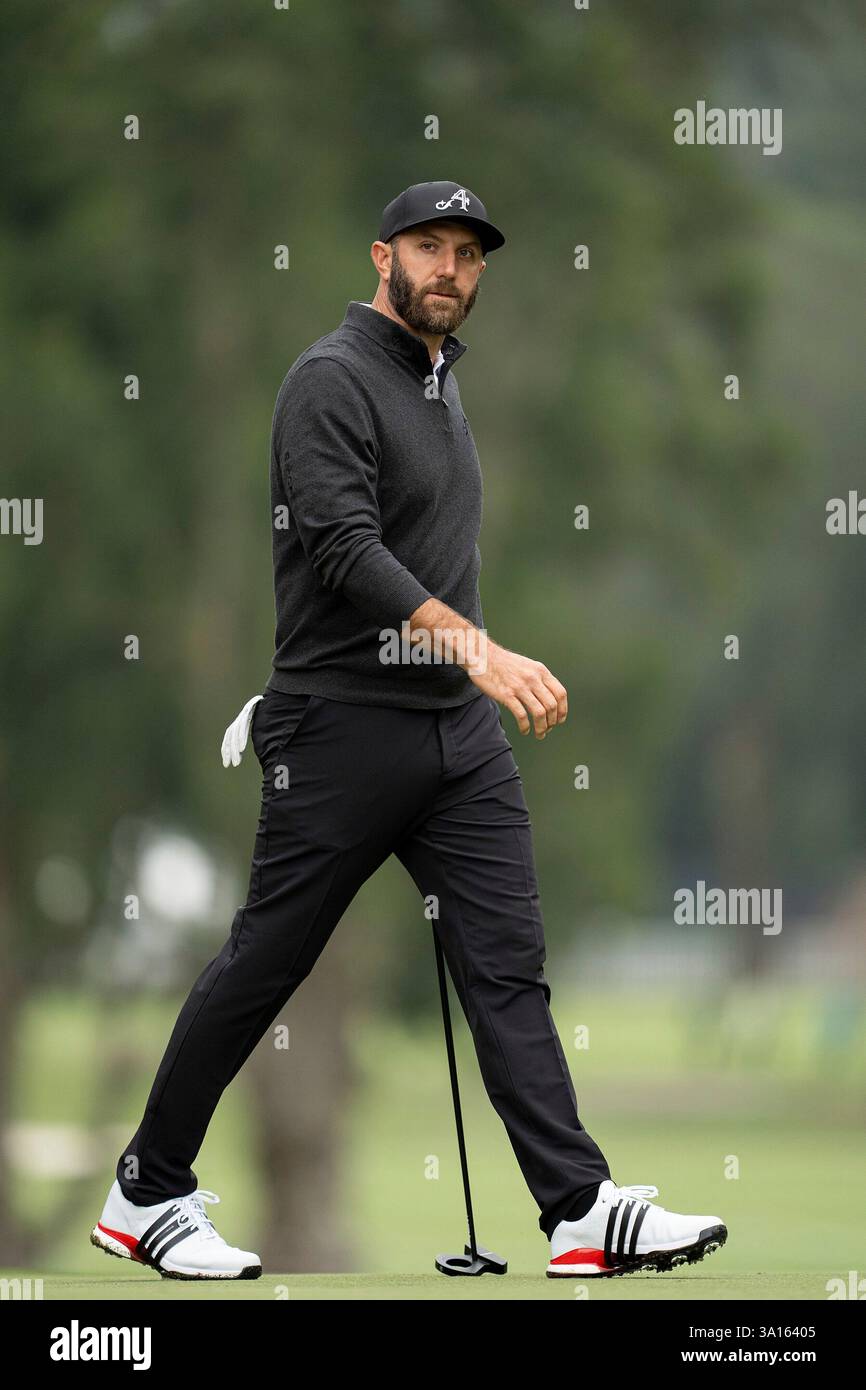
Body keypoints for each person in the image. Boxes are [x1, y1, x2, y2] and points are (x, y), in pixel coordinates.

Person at [91, 181, 727, 1280]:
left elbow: (430, 559)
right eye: (430, 248)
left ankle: (575, 1207)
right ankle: (146, 1192)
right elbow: (341, 549)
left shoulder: (439, 386)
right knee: (263, 963)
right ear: (380, 256)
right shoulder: (327, 381)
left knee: (507, 967)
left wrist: (471, 665)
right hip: (338, 730)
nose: (451, 269)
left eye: (469, 256)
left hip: (454, 741)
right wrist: (480, 650)